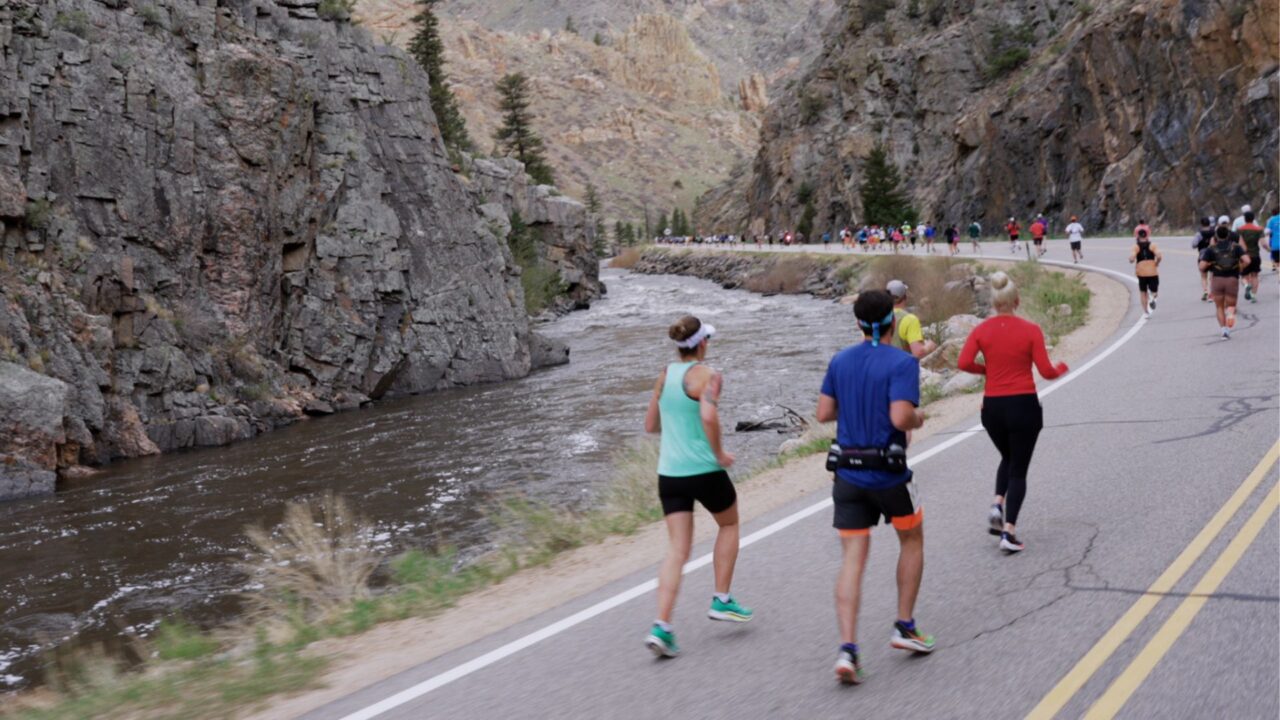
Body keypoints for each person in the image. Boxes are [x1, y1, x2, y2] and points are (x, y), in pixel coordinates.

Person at [816, 289, 934, 685]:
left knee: (852, 557)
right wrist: (919, 418)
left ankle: (847, 650)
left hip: (847, 473)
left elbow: (823, 414)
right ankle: (904, 625)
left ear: (857, 323)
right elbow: (901, 417)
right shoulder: (902, 362)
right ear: (893, 322)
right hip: (889, 474)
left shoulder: (840, 360)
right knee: (912, 540)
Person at [643, 317, 752, 657]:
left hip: (670, 473)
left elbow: (650, 424)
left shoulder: (665, 374)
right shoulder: (710, 376)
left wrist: (675, 427)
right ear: (702, 343)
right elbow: (707, 416)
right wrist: (719, 454)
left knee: (677, 549)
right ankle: (721, 599)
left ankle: (662, 626)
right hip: (704, 470)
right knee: (729, 523)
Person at [957, 272, 1068, 553]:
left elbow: (963, 361)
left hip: (992, 408)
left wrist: (986, 370)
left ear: (994, 303)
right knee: (1018, 469)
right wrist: (1061, 368)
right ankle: (1009, 532)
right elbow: (1045, 371)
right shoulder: (1031, 330)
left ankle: (997, 503)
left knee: (1008, 456)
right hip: (1023, 406)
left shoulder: (981, 331)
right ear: (1017, 301)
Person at [1199, 223, 1250, 339]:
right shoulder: (1235, 247)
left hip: (1217, 280)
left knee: (1219, 307)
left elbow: (1201, 267)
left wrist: (1210, 263)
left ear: (1216, 236)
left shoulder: (1211, 249)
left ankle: (1224, 330)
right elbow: (1247, 260)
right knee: (1231, 305)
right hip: (1232, 279)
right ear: (1228, 235)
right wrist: (1239, 268)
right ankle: (1231, 314)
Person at [887, 280, 938, 358]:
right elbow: (918, 353)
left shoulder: (876, 317)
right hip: (900, 367)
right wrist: (929, 346)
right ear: (905, 297)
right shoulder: (910, 319)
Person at [1129, 229, 1162, 317]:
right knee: (1154, 291)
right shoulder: (1152, 245)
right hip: (1152, 271)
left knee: (1143, 292)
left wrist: (1131, 260)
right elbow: (1159, 255)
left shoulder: (1136, 247)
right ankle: (1152, 299)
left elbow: (1132, 257)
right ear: (1147, 236)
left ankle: (1146, 312)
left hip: (1141, 272)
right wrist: (1157, 263)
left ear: (1138, 236)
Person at [1236, 211, 1264, 302]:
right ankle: (1253, 295)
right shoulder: (1259, 229)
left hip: (1244, 256)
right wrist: (1268, 249)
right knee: (1255, 276)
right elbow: (1263, 243)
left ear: (1245, 219)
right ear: (1253, 219)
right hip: (1255, 255)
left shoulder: (1240, 230)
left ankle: (1246, 285)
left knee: (1243, 276)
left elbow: (1239, 243)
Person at [1192, 217, 1215, 301]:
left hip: (1202, 256)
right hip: (1213, 256)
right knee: (1212, 276)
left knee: (1203, 276)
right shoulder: (1214, 232)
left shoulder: (1199, 234)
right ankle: (1211, 294)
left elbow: (1194, 245)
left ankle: (1205, 291)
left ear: (1201, 224)